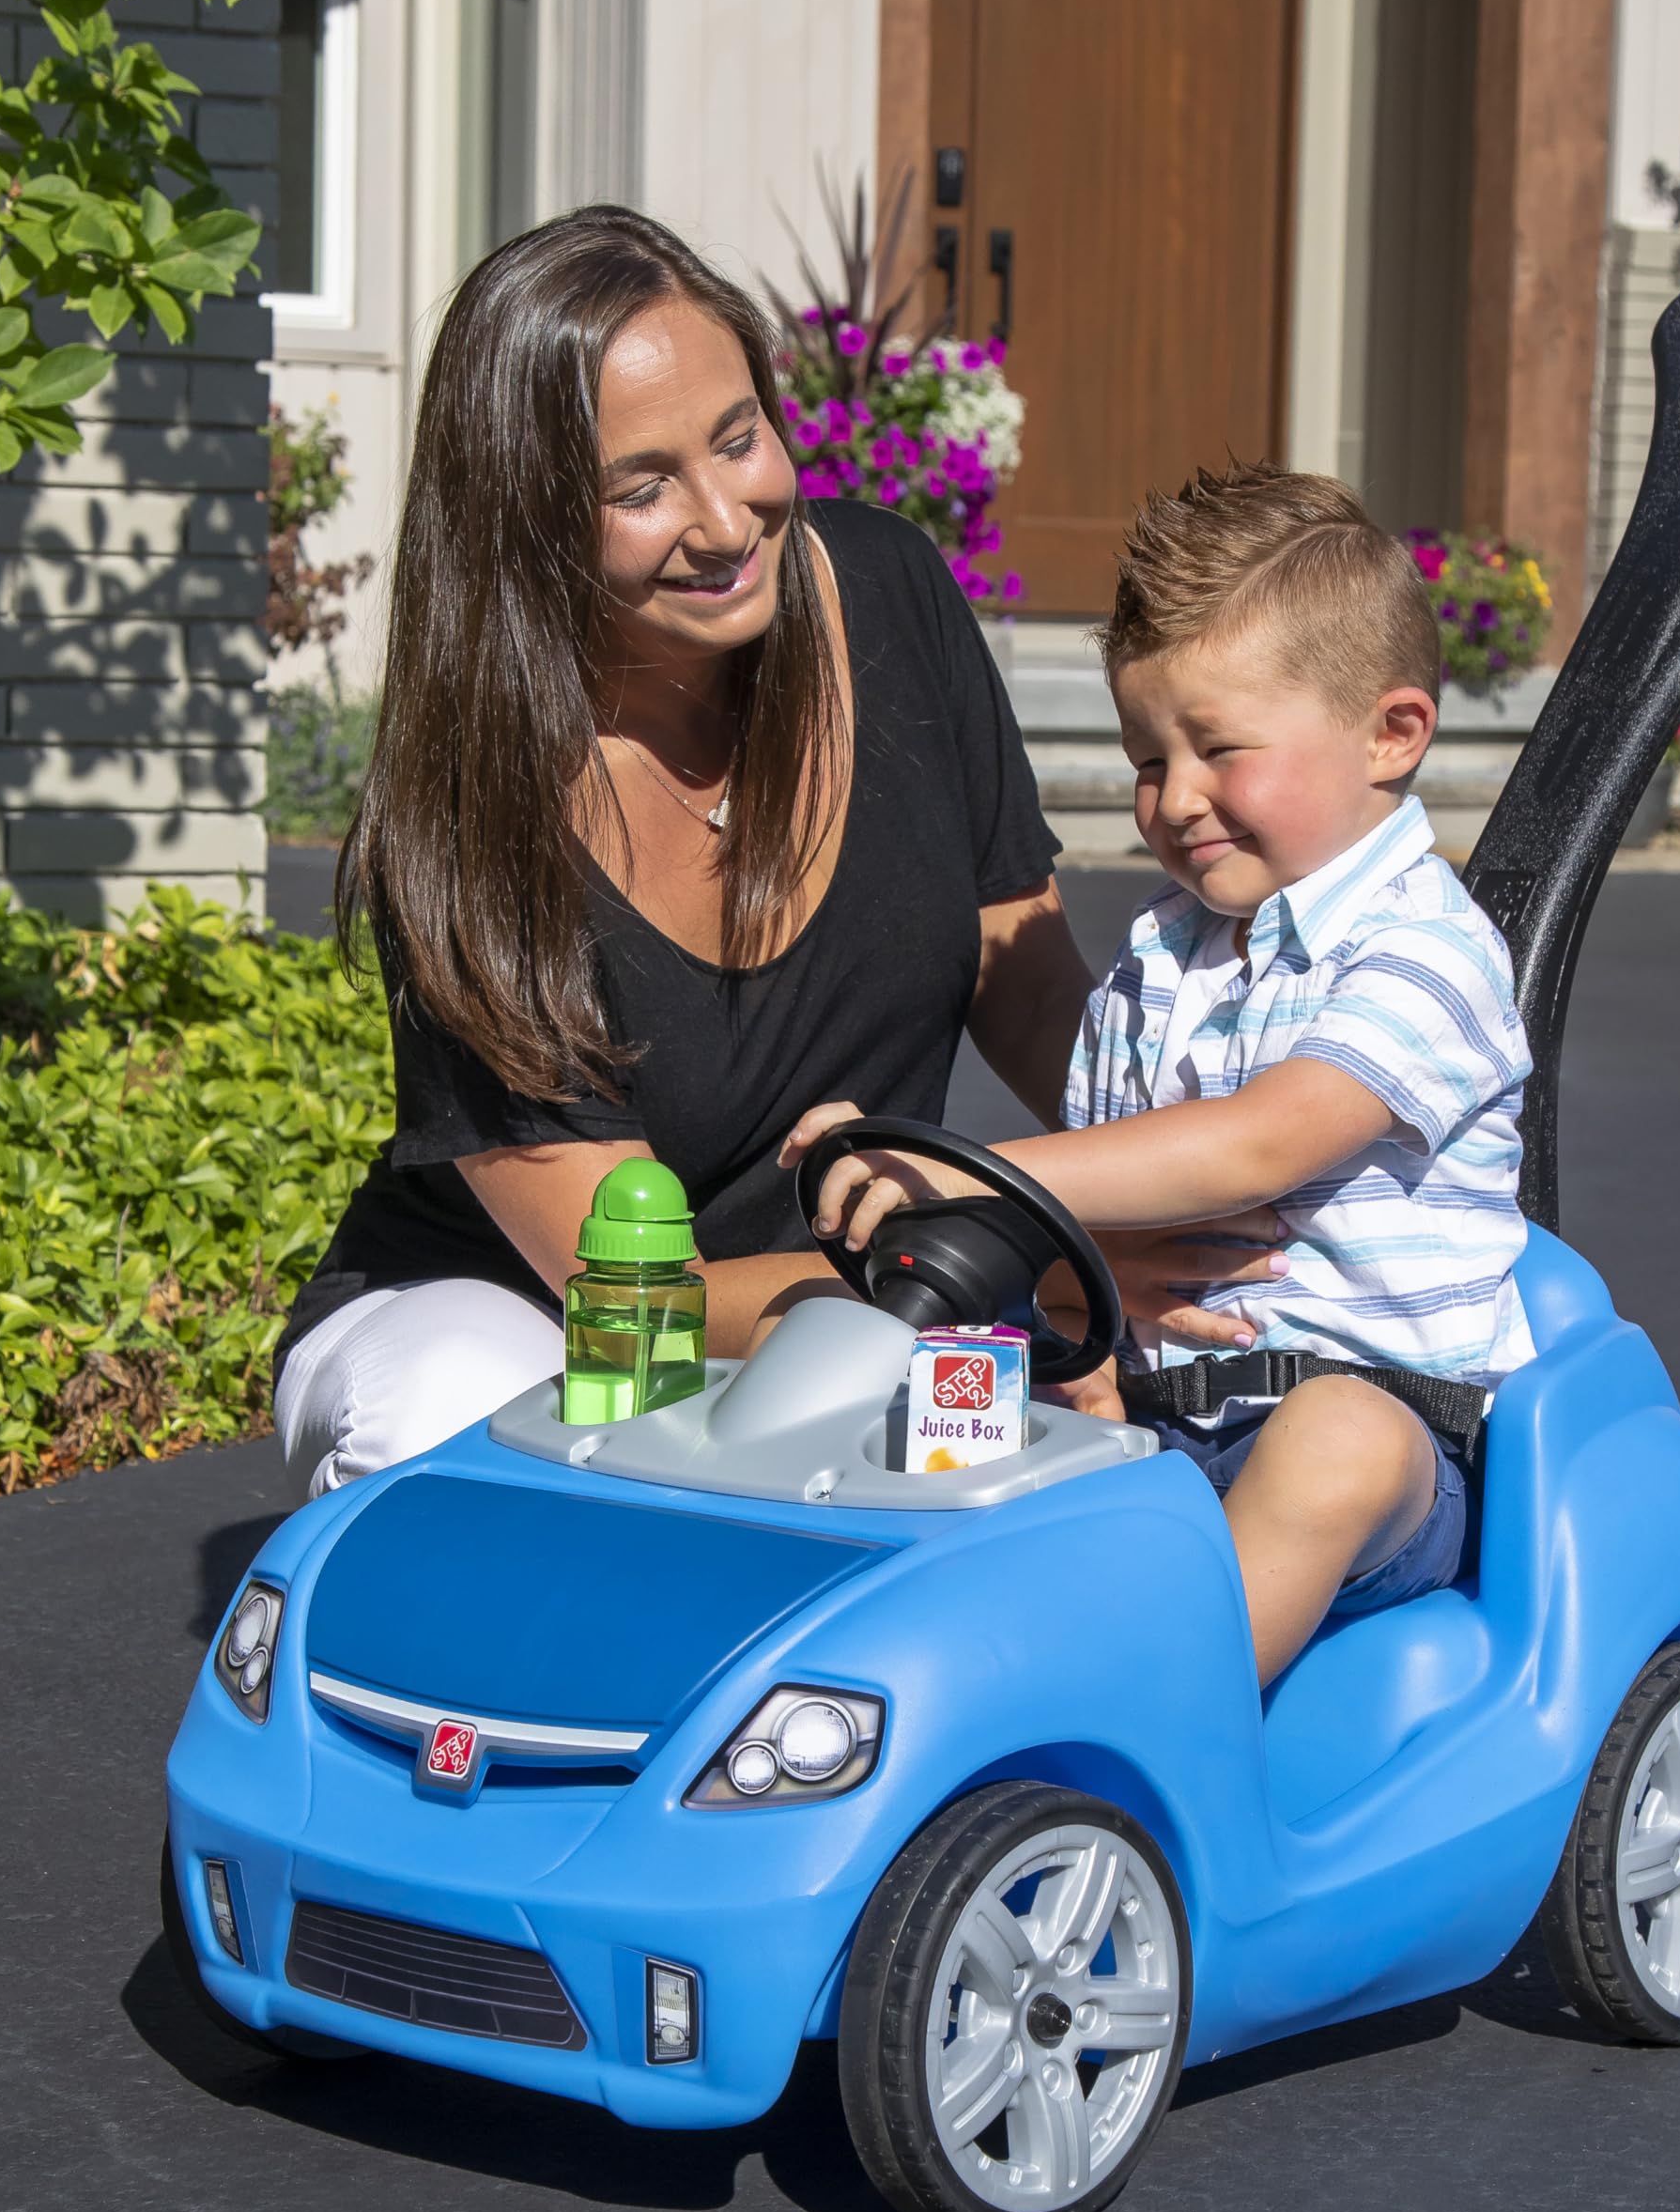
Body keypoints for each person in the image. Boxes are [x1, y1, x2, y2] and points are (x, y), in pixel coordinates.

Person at [274, 207, 1276, 1498]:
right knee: (472, 1414)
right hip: (545, 1317)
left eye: (739, 439)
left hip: (863, 1308)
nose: (726, 520)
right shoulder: (472, 825)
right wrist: (1012, 1260)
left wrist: (1162, 1210)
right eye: (641, 488)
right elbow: (638, 1297)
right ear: (525, 527)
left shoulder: (889, 594)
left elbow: (1025, 985)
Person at [790, 464, 1534, 1684]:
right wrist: (1068, 1329)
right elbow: (1111, 1207)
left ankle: (1160, 1731)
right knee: (924, 1385)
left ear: (1391, 733)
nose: (1175, 798)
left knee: (1331, 1442)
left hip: (1390, 1442)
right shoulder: (1161, 955)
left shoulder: (1429, 948)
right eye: (1146, 759)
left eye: (1219, 749)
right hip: (1157, 1412)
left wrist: (948, 1169)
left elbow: (1261, 1143)